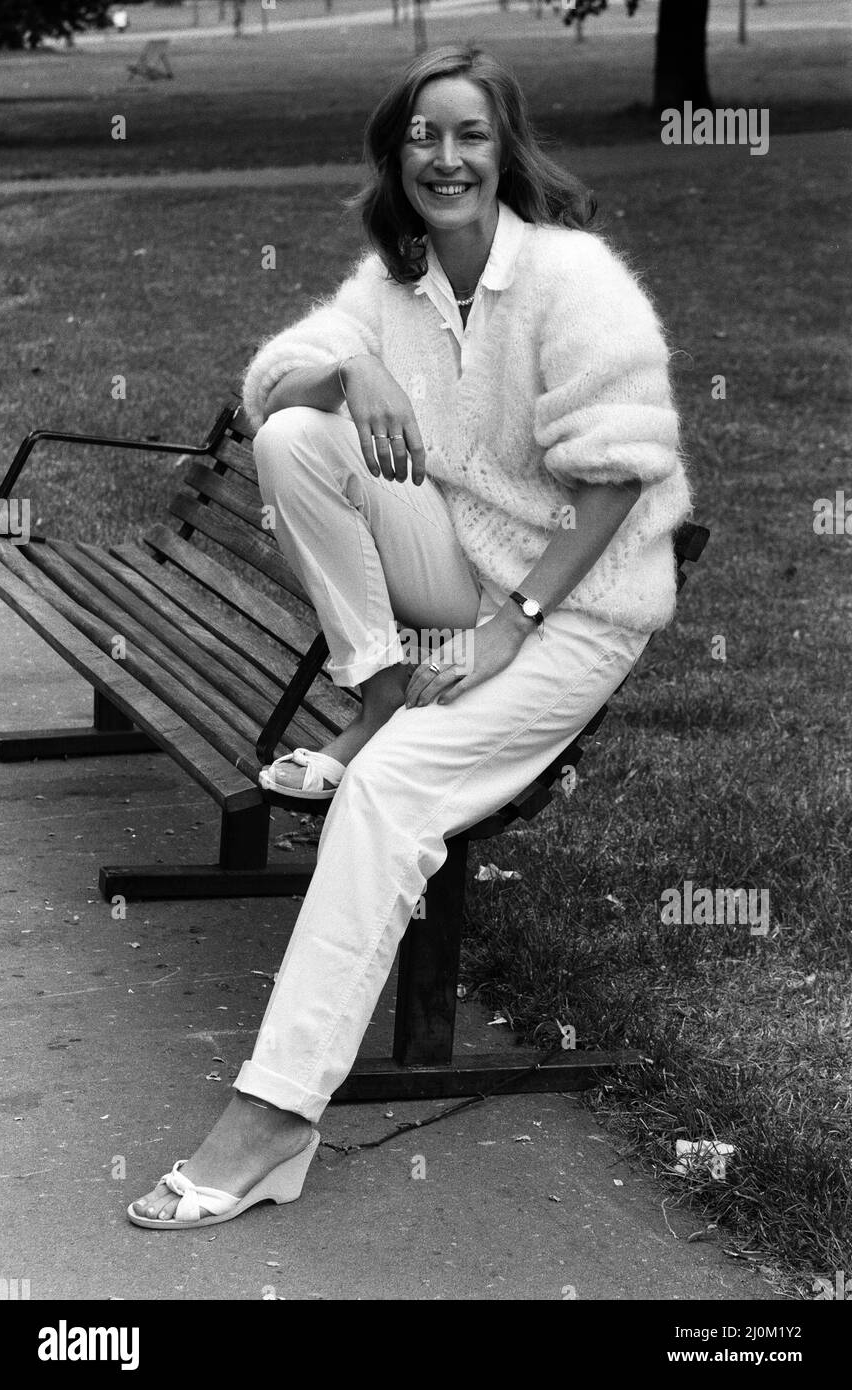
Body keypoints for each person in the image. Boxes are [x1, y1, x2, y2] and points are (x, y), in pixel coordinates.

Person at [128, 43, 691, 1228]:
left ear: (506, 151)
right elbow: (265, 388)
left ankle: (277, 1113)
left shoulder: (572, 277)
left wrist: (511, 628)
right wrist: (348, 369)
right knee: (293, 437)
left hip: (572, 612)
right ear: (398, 158)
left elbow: (623, 479)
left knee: (383, 795)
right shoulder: (391, 285)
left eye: (469, 134)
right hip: (460, 583)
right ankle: (380, 681)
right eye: (422, 136)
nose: (446, 157)